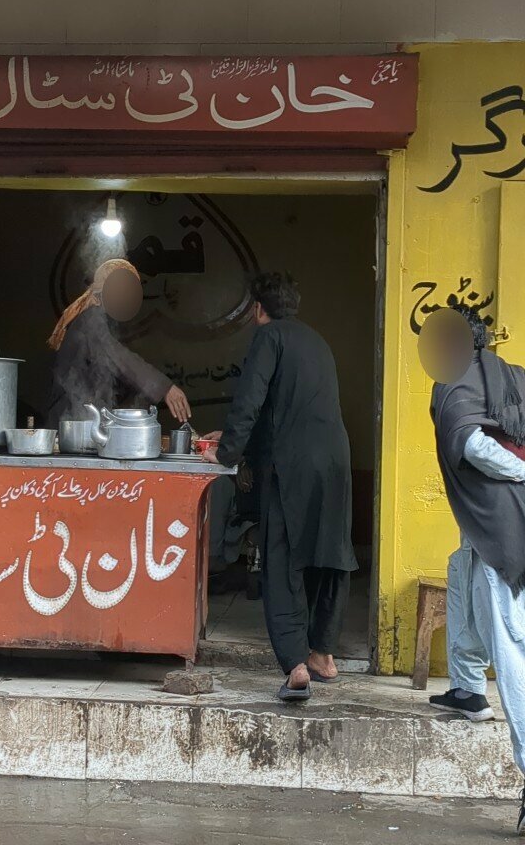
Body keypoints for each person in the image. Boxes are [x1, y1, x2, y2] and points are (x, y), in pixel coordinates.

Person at [202, 271, 356, 701]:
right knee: (329, 554)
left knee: (282, 556)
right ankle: (323, 654)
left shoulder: (268, 339)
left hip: (294, 465)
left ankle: (295, 665)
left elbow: (250, 400)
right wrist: (235, 442)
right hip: (336, 461)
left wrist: (227, 453)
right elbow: (286, 408)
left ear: (258, 309)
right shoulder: (316, 342)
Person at [425, 305, 525, 835]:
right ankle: (466, 688)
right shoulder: (507, 376)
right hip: (492, 525)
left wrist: (521, 470)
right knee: (459, 570)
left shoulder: (454, 379)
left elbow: (471, 443)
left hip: (503, 531)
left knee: (512, 648)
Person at [46, 259, 190, 426]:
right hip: (70, 422)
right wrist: (165, 387)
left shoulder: (99, 318)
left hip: (81, 421)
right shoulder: (89, 319)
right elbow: (117, 356)